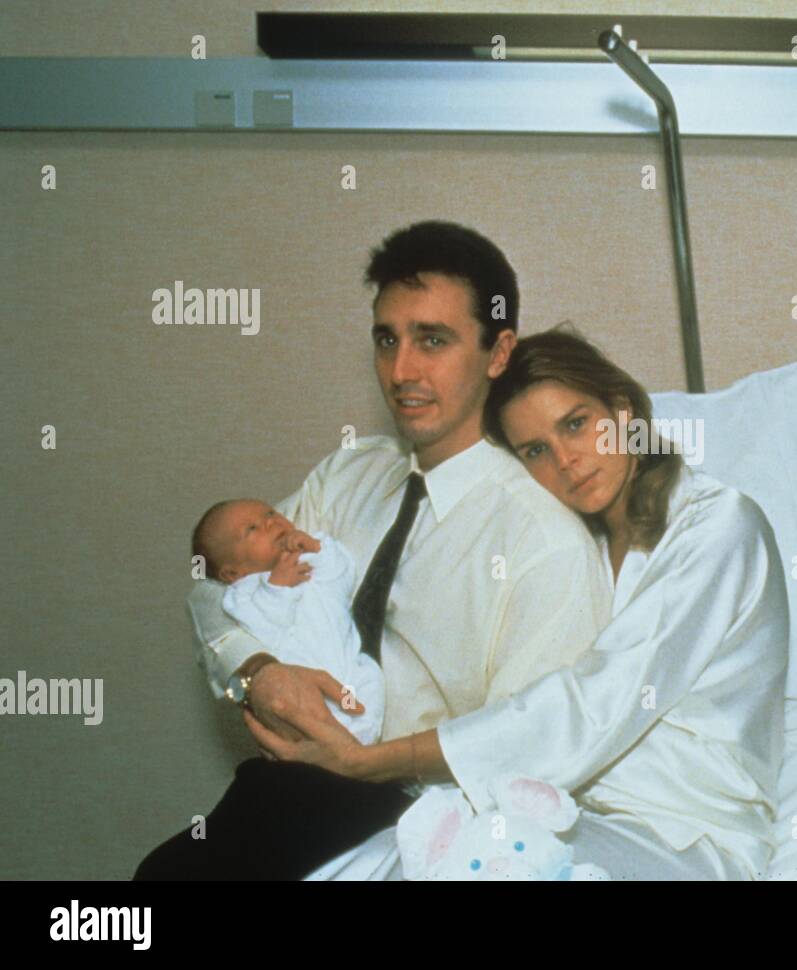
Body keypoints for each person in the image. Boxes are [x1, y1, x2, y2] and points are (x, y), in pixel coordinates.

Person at [134, 222, 610, 880]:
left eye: (432, 340)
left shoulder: (543, 543)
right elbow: (215, 585)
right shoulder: (349, 475)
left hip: (420, 814)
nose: (402, 371)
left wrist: (360, 763)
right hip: (288, 790)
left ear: (498, 352)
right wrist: (258, 670)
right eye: (387, 339)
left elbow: (518, 750)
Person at [247, 329, 792, 880]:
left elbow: (595, 702)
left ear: (622, 411)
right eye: (535, 451)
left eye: (575, 424)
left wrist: (372, 762)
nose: (567, 460)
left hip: (682, 827)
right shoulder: (581, 544)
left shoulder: (720, 527)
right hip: (556, 808)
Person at [190, 498, 384, 745]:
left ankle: (361, 741)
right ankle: (337, 748)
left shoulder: (306, 561)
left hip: (348, 671)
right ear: (232, 573)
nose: (271, 522)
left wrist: (316, 548)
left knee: (366, 686)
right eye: (252, 529)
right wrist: (277, 588)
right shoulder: (244, 595)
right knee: (311, 722)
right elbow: (264, 628)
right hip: (306, 685)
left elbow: (342, 578)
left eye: (270, 513)